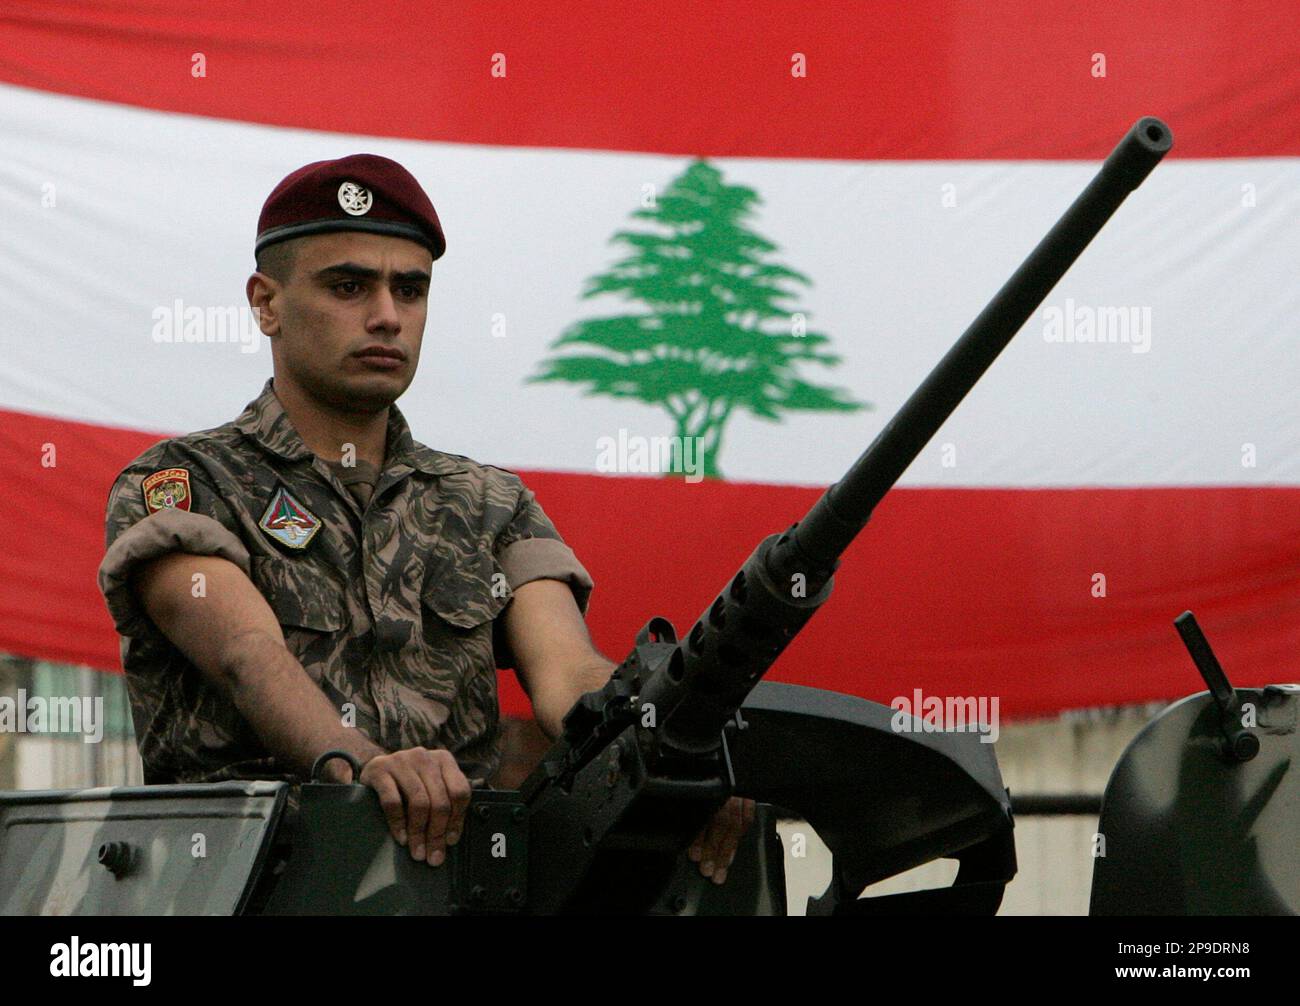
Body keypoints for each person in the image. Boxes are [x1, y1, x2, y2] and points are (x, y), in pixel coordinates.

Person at [97, 153, 752, 884]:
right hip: (245, 883)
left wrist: (669, 763)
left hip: (451, 885)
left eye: (410, 289)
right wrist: (368, 766)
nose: (386, 315)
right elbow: (245, 656)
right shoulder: (184, 484)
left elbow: (568, 679)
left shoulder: (488, 503)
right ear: (265, 303)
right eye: (348, 286)